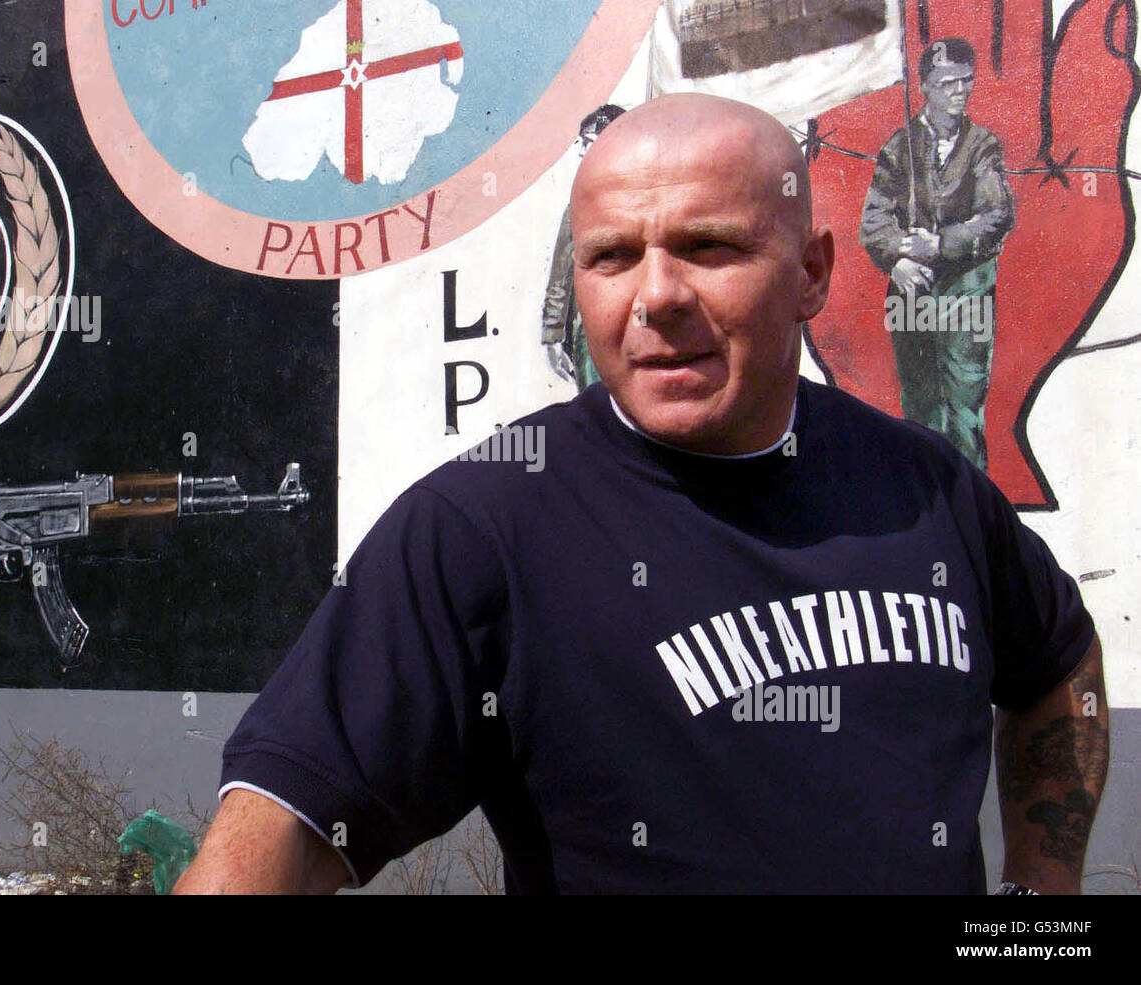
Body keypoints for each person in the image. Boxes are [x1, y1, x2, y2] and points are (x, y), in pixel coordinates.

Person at [175, 94, 1106, 894]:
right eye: (612, 257)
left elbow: (1059, 663)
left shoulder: (928, 486)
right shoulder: (486, 524)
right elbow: (285, 824)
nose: (655, 297)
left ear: (813, 272)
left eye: (708, 247)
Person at [859, 37, 1016, 471]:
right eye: (948, 83)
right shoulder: (899, 146)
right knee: (920, 406)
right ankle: (932, 511)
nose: (960, 91)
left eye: (967, 81)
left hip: (965, 295)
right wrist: (898, 259)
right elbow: (873, 223)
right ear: (925, 86)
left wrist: (940, 244)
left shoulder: (983, 146)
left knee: (964, 407)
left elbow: (996, 215)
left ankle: (970, 505)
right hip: (911, 296)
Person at [542, 103, 625, 390]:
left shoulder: (645, 197)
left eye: (587, 144)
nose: (580, 152)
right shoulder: (580, 205)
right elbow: (561, 274)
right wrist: (552, 334)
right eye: (581, 144)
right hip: (589, 331)